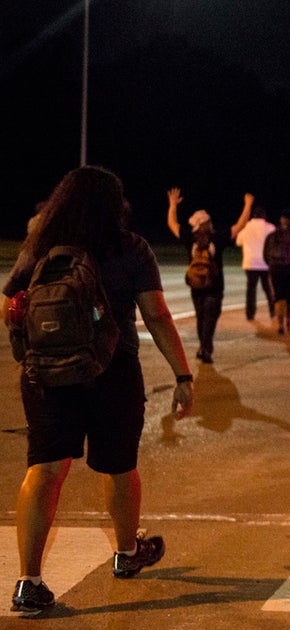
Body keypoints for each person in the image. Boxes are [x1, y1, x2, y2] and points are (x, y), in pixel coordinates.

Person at [3, 166, 194, 613]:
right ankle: (127, 554)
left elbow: (9, 308)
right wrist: (183, 375)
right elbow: (157, 315)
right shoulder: (130, 248)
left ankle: (28, 582)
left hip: (47, 375)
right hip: (113, 372)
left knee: (44, 471)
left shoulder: (40, 247)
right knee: (119, 467)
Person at [167, 187, 234, 363]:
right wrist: (248, 206)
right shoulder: (216, 237)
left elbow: (172, 224)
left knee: (201, 317)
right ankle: (206, 348)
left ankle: (203, 347)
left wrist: (172, 204)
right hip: (215, 286)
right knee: (210, 319)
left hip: (196, 285)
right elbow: (238, 227)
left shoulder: (190, 237)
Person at [231, 201, 276, 321]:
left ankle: (250, 314)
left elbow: (238, 242)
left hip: (250, 263)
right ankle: (273, 312)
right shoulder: (270, 228)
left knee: (251, 290)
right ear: (264, 216)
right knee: (269, 289)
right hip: (266, 263)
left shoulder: (246, 228)